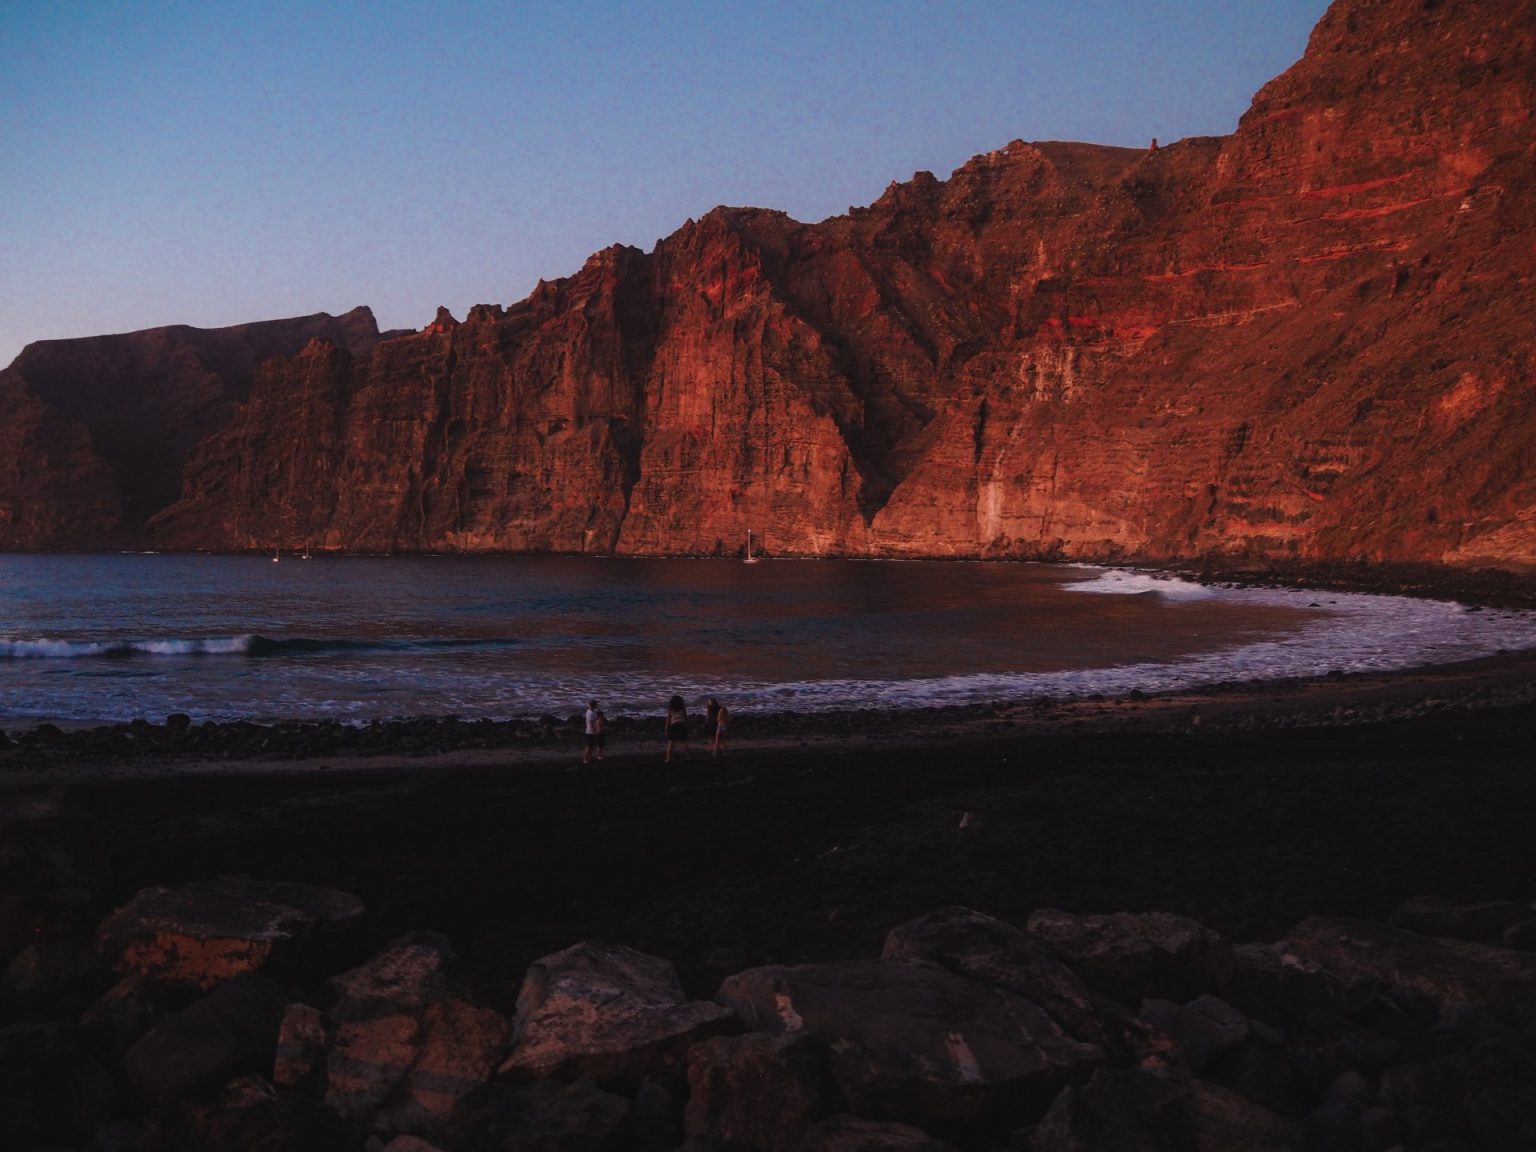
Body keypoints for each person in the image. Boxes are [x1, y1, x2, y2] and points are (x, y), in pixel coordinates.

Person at [665, 694, 689, 762]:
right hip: (682, 724)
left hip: (674, 725)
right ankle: (688, 757)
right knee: (684, 742)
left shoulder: (670, 709)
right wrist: (687, 726)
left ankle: (668, 759)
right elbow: (685, 718)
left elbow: (668, 719)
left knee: (671, 743)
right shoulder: (682, 708)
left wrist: (666, 728)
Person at [583, 699, 603, 764]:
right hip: (590, 732)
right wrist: (595, 731)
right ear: (593, 705)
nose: (597, 705)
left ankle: (589, 758)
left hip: (590, 731)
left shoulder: (591, 712)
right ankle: (585, 759)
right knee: (588, 747)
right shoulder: (590, 713)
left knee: (590, 746)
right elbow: (592, 723)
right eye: (596, 704)